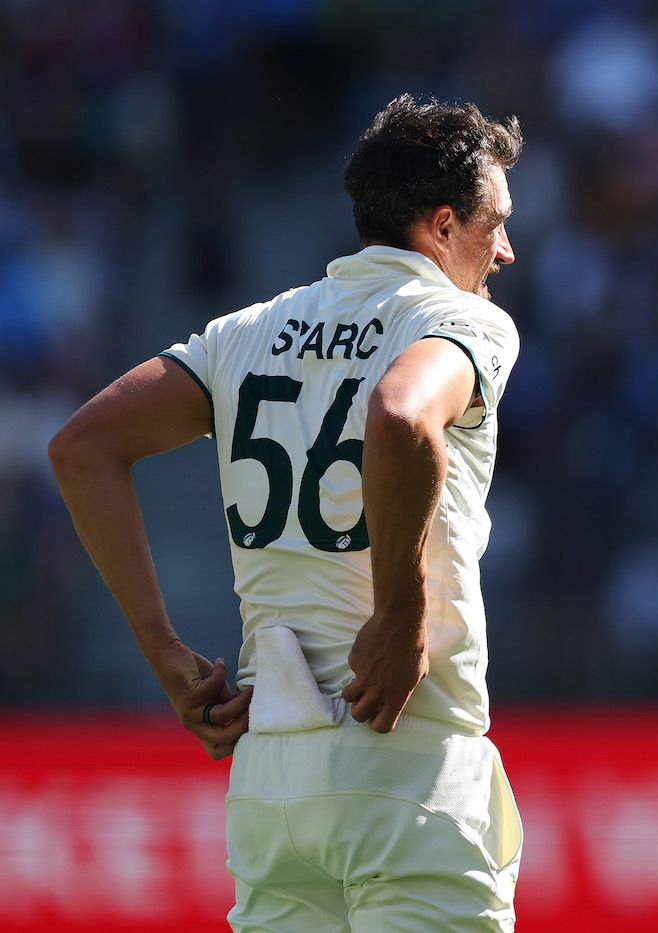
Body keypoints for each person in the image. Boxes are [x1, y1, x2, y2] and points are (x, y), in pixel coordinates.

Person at [48, 94, 526, 931]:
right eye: (497, 223)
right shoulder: (460, 320)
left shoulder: (248, 330)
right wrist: (402, 608)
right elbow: (402, 414)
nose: (507, 251)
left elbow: (83, 446)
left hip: (272, 779)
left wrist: (162, 648)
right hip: (407, 763)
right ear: (444, 224)